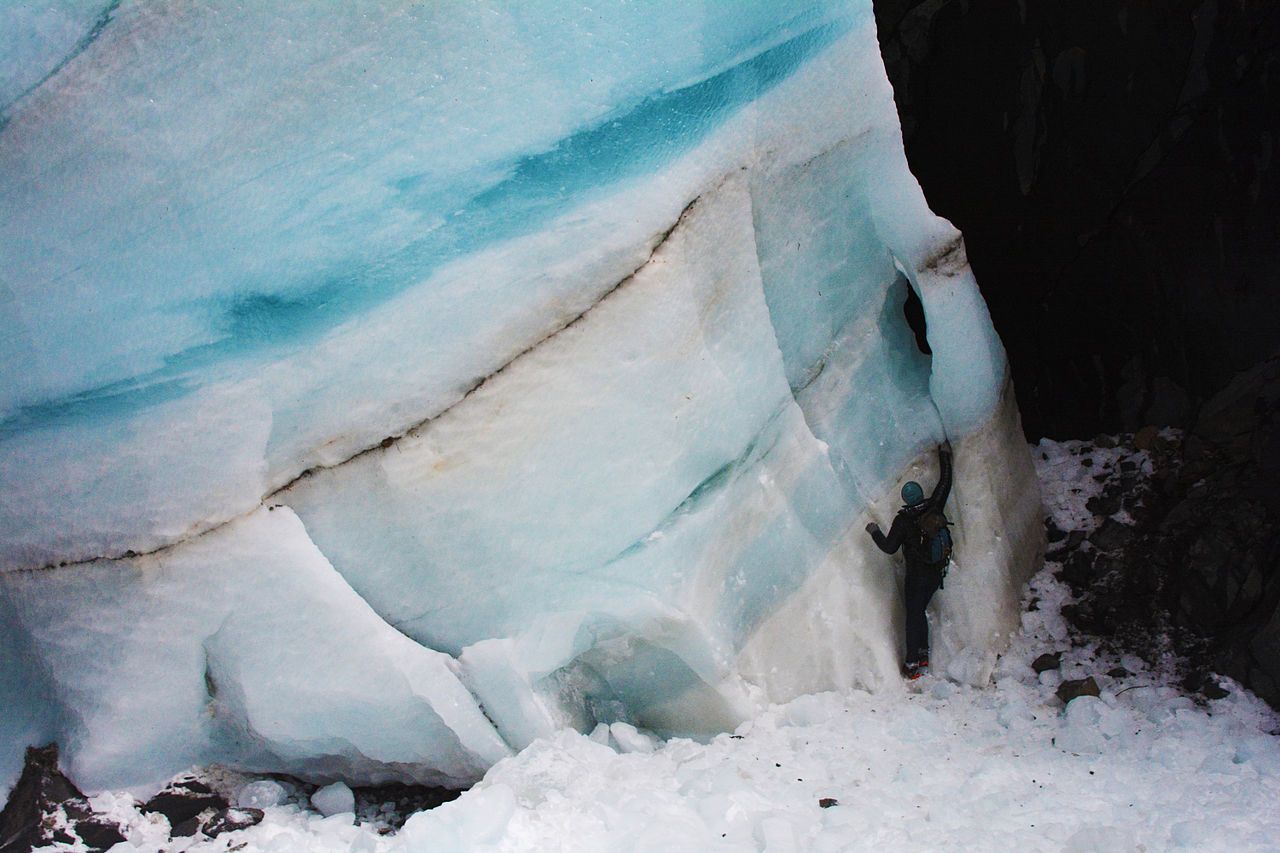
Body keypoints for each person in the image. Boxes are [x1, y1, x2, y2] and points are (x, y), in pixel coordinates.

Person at [865, 443, 953, 679]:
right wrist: (944, 455)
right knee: (919, 611)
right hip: (936, 572)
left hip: (916, 577)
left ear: (905, 499)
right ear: (920, 495)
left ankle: (912, 662)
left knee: (913, 615)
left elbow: (889, 547)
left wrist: (874, 531)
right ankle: (923, 652)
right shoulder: (934, 505)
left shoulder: (903, 520)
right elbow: (945, 482)